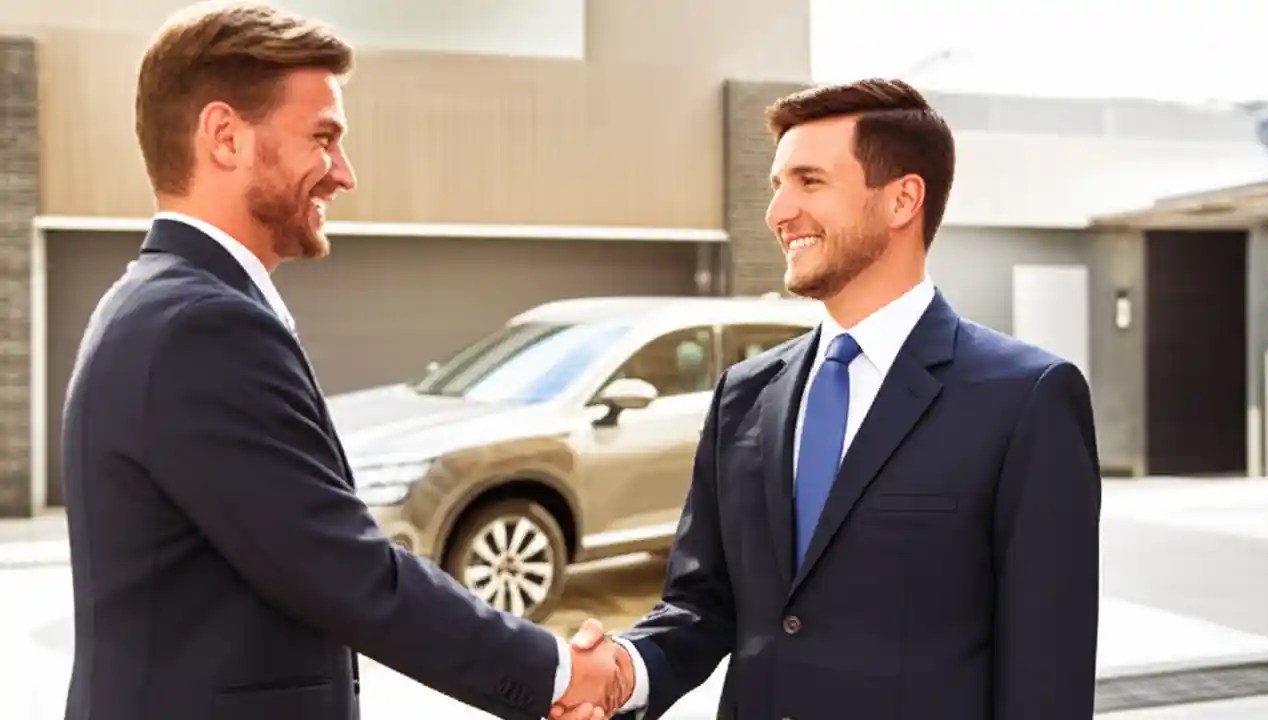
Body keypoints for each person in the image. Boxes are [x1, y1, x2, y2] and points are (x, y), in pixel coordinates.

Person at [59, 3, 632, 719]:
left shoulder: (161, 303)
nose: (344, 174)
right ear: (225, 137)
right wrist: (554, 674)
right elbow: (341, 567)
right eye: (323, 138)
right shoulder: (202, 324)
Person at [557, 78, 1102, 719]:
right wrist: (626, 669)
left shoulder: (1026, 398)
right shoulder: (744, 394)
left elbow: (1047, 676)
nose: (778, 212)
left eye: (809, 182)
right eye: (777, 185)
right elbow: (704, 604)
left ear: (903, 200)